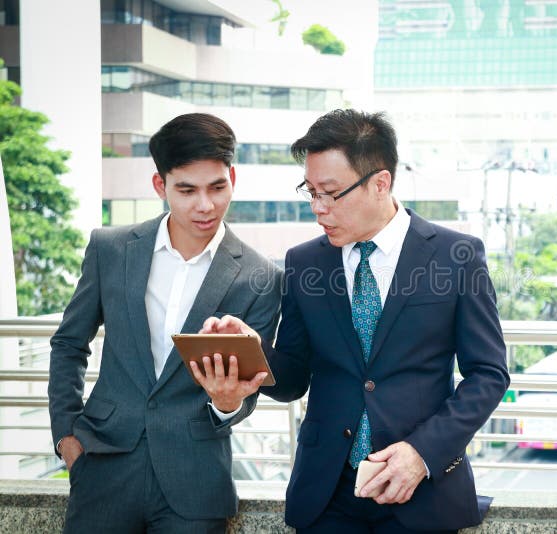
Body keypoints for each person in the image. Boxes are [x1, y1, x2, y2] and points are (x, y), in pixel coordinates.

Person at [203, 109, 510, 533]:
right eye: (310, 192)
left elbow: (489, 375)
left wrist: (422, 454)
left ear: (380, 183)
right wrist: (254, 351)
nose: (317, 208)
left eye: (330, 193)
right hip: (327, 495)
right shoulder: (303, 262)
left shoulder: (456, 257)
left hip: (420, 491)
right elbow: (292, 377)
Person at [48, 113, 283, 533]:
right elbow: (69, 344)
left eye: (217, 187)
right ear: (161, 186)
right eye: (187, 190)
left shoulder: (260, 277)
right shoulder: (111, 249)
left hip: (195, 483)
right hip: (102, 464)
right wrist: (66, 435)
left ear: (232, 176)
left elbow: (247, 388)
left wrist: (227, 403)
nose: (205, 205)